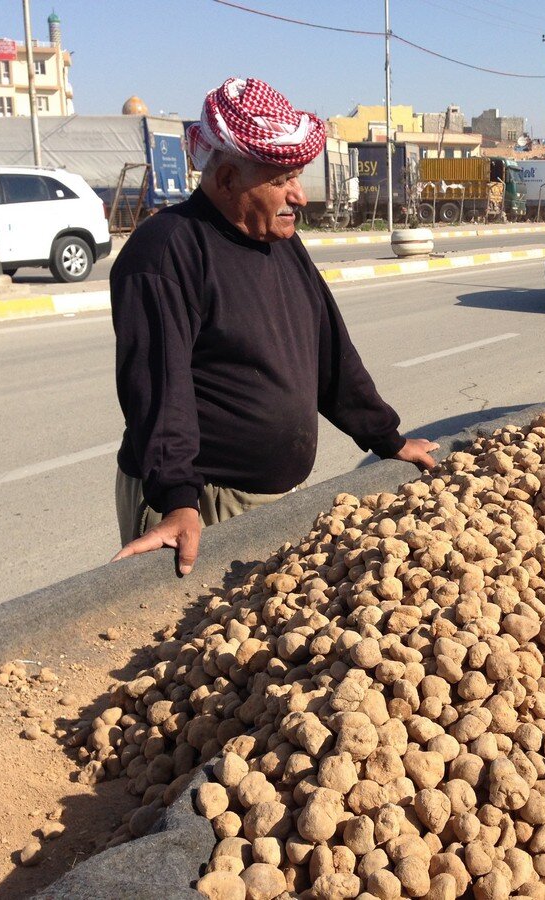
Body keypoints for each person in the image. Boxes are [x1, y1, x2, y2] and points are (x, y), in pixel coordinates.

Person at [109, 77, 438, 576]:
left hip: (268, 497)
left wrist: (387, 438)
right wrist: (178, 499)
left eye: (298, 176)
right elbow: (157, 391)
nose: (299, 196)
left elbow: (331, 356)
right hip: (201, 505)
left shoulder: (281, 242)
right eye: (282, 179)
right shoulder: (167, 251)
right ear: (226, 180)